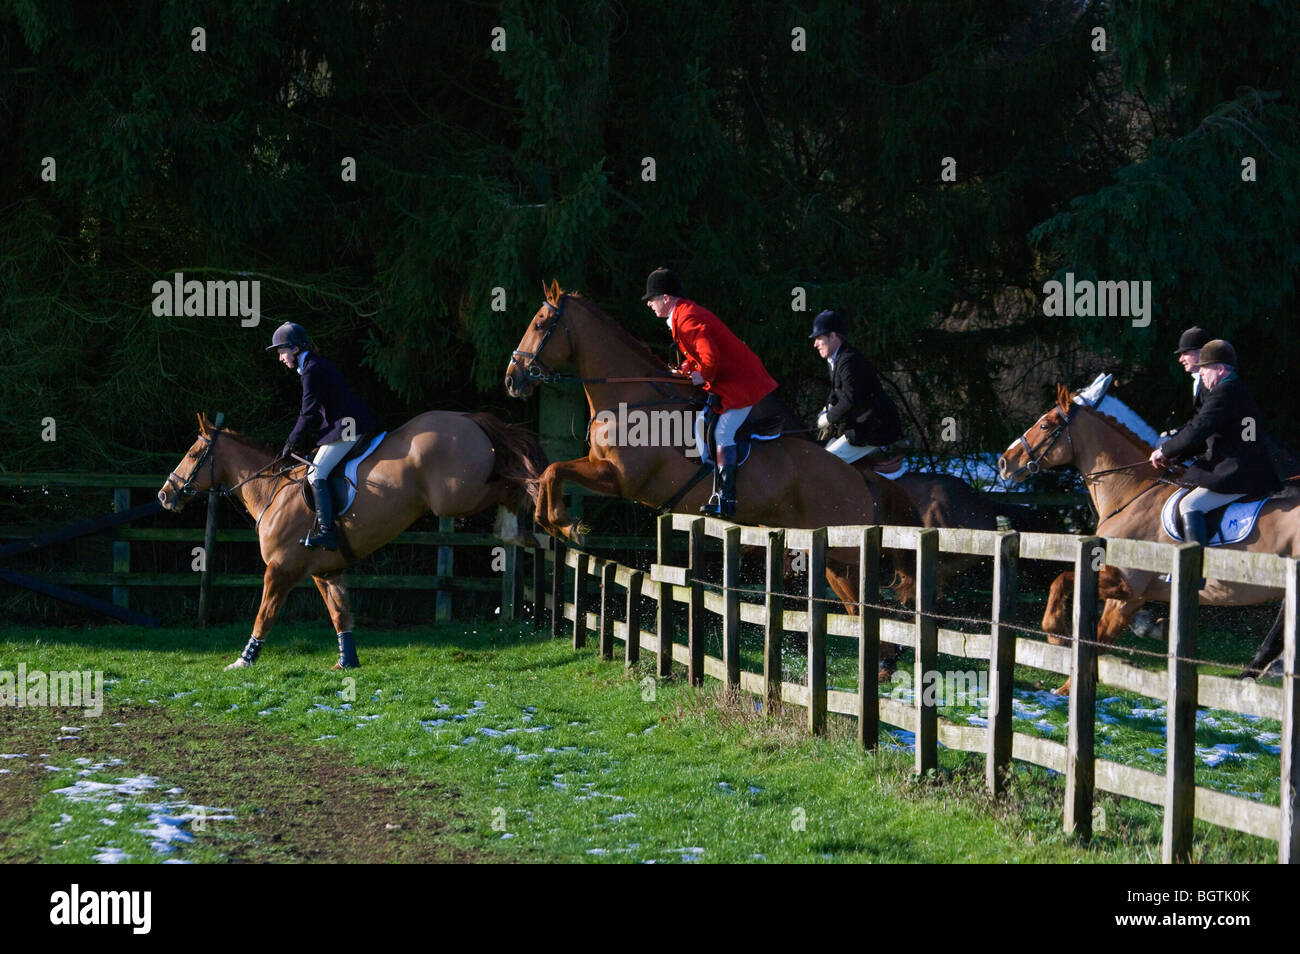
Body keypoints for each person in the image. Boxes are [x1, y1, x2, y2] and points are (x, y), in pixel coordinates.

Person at [642, 267, 776, 518]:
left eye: (653, 298)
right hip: (731, 381)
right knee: (704, 423)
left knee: (723, 432)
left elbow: (710, 359)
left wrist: (700, 375)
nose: (650, 304)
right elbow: (699, 355)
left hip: (741, 384)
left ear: (666, 298)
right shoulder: (683, 315)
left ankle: (727, 499)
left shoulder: (687, 318)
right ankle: (716, 489)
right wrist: (684, 368)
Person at [1149, 340, 1279, 575]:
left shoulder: (1224, 392)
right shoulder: (1235, 389)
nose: (1202, 374)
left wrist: (1165, 450)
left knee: (1190, 504)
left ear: (1220, 369)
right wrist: (1178, 454)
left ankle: (1194, 573)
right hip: (1244, 465)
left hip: (1239, 471)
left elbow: (1198, 428)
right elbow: (1205, 434)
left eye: (1204, 369)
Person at [268, 321, 378, 550]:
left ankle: (327, 532)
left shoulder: (311, 370)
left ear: (295, 348)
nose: (280, 358)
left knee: (316, 474)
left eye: (282, 351)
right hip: (346, 423)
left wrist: (291, 442)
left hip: (348, 427)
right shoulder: (312, 365)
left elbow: (307, 414)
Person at [808, 310, 906, 464]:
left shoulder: (849, 360)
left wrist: (829, 418)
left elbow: (850, 398)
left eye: (819, 338)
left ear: (833, 336)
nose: (815, 344)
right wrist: (827, 408)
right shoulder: (836, 359)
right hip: (861, 426)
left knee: (825, 464)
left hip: (875, 427)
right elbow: (836, 391)